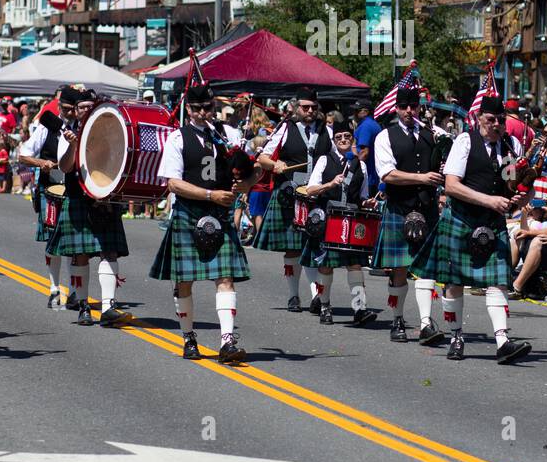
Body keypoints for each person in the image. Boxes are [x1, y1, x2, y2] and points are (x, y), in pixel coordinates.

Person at [409, 96, 531, 363]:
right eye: (491, 120)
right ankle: (456, 337)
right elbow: (451, 185)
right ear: (479, 119)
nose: (497, 125)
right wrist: (489, 200)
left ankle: (502, 341)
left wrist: (520, 197)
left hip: (492, 222)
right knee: (453, 283)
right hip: (461, 220)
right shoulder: (465, 141)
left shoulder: (511, 147)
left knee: (498, 280)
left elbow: (511, 185)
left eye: (501, 120)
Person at [150, 83, 256, 363]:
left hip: (220, 215)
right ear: (188, 109)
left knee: (225, 278)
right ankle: (188, 338)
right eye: (196, 109)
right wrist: (211, 194)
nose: (201, 113)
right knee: (184, 280)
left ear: (214, 107)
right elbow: (173, 183)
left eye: (207, 108)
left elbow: (249, 176)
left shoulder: (228, 135)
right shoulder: (178, 138)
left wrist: (250, 178)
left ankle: (227, 343)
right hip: (190, 213)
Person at [47, 90, 134, 327]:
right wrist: (73, 145)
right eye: (81, 107)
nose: (85, 110)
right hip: (77, 198)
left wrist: (110, 195)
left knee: (109, 252)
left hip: (105, 200)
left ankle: (108, 307)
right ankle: (83, 306)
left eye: (89, 106)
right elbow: (64, 168)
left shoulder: (109, 130)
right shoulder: (68, 133)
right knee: (80, 255)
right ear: (75, 111)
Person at [371, 86, 445, 344]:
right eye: (404, 107)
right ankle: (398, 319)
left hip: (426, 208)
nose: (409, 111)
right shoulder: (384, 137)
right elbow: (387, 175)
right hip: (399, 207)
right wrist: (421, 178)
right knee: (400, 268)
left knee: (425, 268)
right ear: (396, 108)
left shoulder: (431, 135)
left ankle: (426, 323)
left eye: (413, 106)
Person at [298, 118, 379, 326]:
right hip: (329, 218)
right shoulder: (325, 160)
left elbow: (362, 196)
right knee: (326, 266)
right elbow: (311, 189)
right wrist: (330, 183)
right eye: (339, 137)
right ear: (334, 140)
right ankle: (325, 306)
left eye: (347, 137)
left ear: (352, 139)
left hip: (352, 219)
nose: (343, 140)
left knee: (355, 266)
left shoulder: (359, 164)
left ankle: (359, 309)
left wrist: (368, 202)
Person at [255, 87, 328, 313]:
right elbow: (263, 158)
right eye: (305, 107)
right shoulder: (285, 129)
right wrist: (275, 164)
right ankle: (293, 295)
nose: (310, 111)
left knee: (316, 246)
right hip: (290, 195)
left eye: (313, 108)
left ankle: (317, 296)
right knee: (293, 249)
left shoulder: (327, 131)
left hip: (317, 195)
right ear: (296, 108)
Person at [17, 85, 80, 307]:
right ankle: (54, 288)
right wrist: (41, 163)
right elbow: (23, 155)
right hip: (50, 189)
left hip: (75, 191)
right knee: (53, 240)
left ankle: (74, 291)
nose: (69, 113)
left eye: (73, 109)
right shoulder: (48, 126)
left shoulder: (85, 127)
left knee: (74, 243)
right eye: (65, 108)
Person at [351, 100, 381, 190]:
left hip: (367, 177)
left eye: (357, 111)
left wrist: (353, 172)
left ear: (365, 112)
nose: (354, 114)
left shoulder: (366, 126)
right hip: (373, 176)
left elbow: (364, 153)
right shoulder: (372, 124)